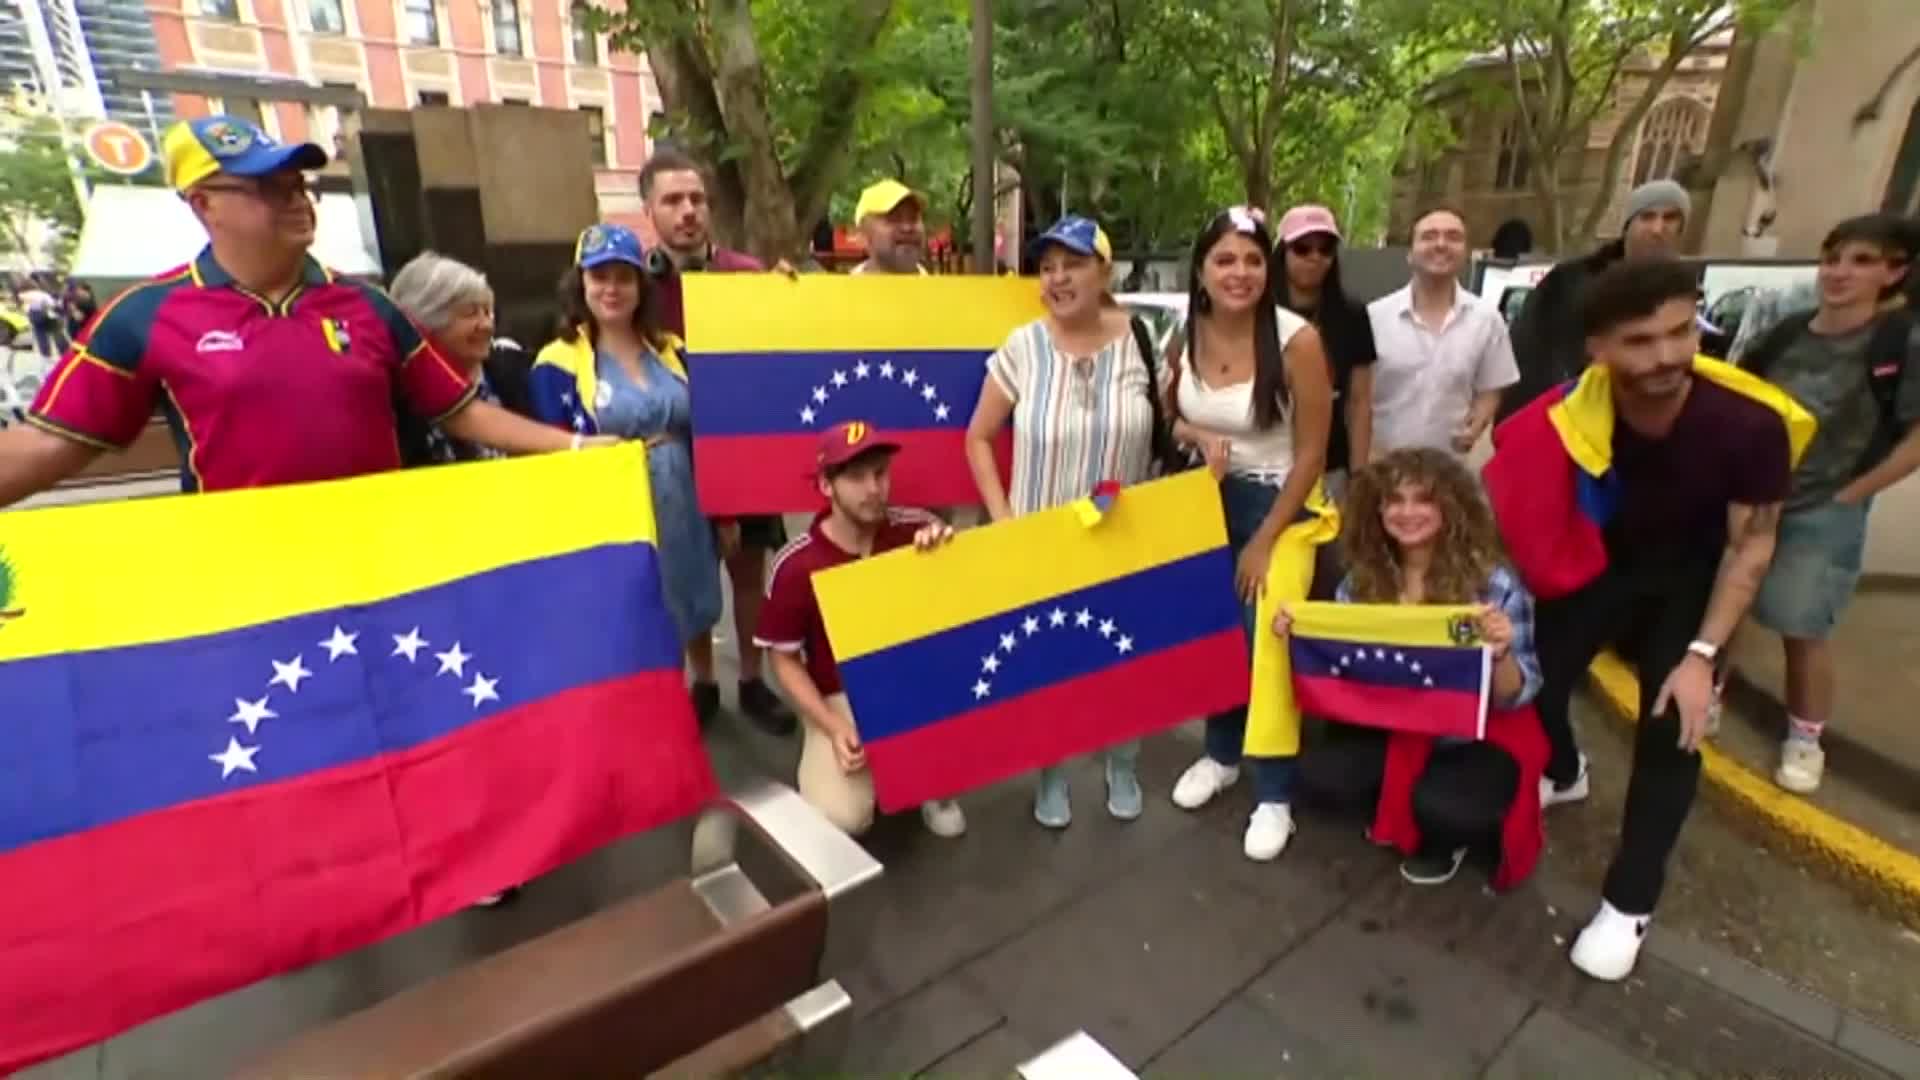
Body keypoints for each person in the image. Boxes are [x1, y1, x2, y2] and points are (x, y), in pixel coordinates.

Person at [0, 116, 584, 510]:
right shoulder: (144, 316)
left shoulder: (368, 306)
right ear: (204, 203)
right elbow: (52, 444)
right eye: (270, 188)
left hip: (387, 563)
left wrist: (583, 453)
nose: (298, 201)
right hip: (252, 589)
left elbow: (463, 413)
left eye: (300, 185)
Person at [1487, 256, 1796, 981]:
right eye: (1640, 341)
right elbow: (1516, 495)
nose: (1665, 357)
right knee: (1535, 683)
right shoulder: (1568, 411)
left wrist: (1703, 656)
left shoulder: (1748, 425)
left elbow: (1752, 547)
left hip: (1690, 584)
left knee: (1671, 727)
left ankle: (1630, 900)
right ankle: (1563, 772)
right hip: (1594, 565)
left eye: (1680, 333)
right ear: (1596, 348)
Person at [963, 214, 1166, 828]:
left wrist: (1203, 439)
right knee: (1049, 660)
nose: (1057, 278)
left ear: (1104, 270)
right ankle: (1050, 771)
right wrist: (1003, 521)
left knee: (1123, 659)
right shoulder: (1023, 347)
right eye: (1047, 268)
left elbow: (1170, 420)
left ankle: (1122, 761)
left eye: (1072, 264)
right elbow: (977, 438)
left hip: (1125, 537)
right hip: (1042, 539)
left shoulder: (1144, 339)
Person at [1289, 448, 1549, 889]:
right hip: (1393, 722)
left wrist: (1501, 652)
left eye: (1423, 500)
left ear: (1451, 507)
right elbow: (1345, 667)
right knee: (1318, 781)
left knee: (1446, 809)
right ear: (1378, 509)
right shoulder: (1361, 580)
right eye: (1394, 500)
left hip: (1470, 733)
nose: (1407, 512)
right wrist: (1301, 630)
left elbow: (1515, 695)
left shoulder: (1494, 583)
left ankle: (1447, 837)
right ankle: (1398, 797)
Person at [1164, 206, 1334, 862]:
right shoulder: (1186, 334)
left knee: (1268, 636)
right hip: (1208, 504)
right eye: (1225, 259)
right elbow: (1169, 416)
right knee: (1216, 633)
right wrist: (1199, 435)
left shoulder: (1297, 342)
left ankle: (1275, 793)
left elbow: (1313, 454)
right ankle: (1221, 754)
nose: (1240, 273)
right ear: (1202, 270)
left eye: (1254, 260)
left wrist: (1266, 537)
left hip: (1283, 507)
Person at [1738, 214, 1920, 794]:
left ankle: (1805, 737)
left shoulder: (1901, 342)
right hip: (1753, 496)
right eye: (1832, 257)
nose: (1839, 272)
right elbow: (1743, 396)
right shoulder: (1788, 333)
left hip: (1824, 508)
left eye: (1862, 261)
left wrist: (1852, 494)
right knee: (1724, 602)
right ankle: (1706, 694)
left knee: (1804, 625)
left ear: (1895, 271)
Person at [528, 223, 727, 711]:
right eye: (600, 278)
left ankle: (701, 689)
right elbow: (548, 446)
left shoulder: (672, 350)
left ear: (642, 286)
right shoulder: (557, 362)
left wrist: (725, 512)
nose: (612, 289)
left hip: (681, 493)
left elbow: (708, 430)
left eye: (624, 277)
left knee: (690, 592)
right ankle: (655, 704)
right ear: (581, 285)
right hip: (615, 506)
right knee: (638, 608)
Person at [638, 148, 798, 735]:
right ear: (649, 210)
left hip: (742, 447)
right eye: (673, 201)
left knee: (748, 574)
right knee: (690, 572)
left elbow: (785, 351)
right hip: (675, 455)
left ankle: (753, 681)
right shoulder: (635, 285)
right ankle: (702, 680)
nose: (688, 212)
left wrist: (789, 300)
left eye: (697, 199)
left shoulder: (747, 274)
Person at [754, 421, 968, 838]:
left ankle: (931, 783)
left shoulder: (915, 531)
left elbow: (961, 619)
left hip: (911, 683)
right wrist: (832, 726)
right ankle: (835, 750)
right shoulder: (796, 565)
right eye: (855, 476)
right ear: (826, 486)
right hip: (840, 695)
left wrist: (946, 562)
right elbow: (782, 659)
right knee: (840, 820)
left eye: (880, 473)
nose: (874, 488)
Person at [1504, 180, 1692, 420]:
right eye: (1647, 217)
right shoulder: (1569, 282)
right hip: (1571, 419)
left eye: (1670, 218)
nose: (1658, 228)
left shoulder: (1683, 291)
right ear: (1628, 225)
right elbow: (1528, 353)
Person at [1367, 207, 1518, 459]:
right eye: (1428, 236)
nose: (1441, 244)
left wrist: (1478, 423)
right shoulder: (1374, 318)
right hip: (1382, 466)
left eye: (1453, 237)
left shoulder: (1487, 320)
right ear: (1409, 254)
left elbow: (1492, 386)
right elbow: (1357, 397)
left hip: (1451, 472)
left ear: (1466, 253)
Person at [388, 251, 533, 464]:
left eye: (487, 312)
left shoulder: (518, 372)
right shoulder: (397, 402)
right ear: (425, 322)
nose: (487, 325)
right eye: (470, 313)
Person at [1275, 204, 1375, 490]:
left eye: (1326, 249)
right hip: (1266, 465)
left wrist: (1359, 475)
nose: (1315, 258)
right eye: (1302, 248)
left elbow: (1360, 401)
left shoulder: (1351, 314)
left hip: (1330, 468)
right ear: (1282, 252)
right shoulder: (1259, 313)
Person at [851, 180, 928, 275]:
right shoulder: (840, 289)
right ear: (863, 235)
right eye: (894, 219)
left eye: (914, 218)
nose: (907, 228)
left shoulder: (940, 289)